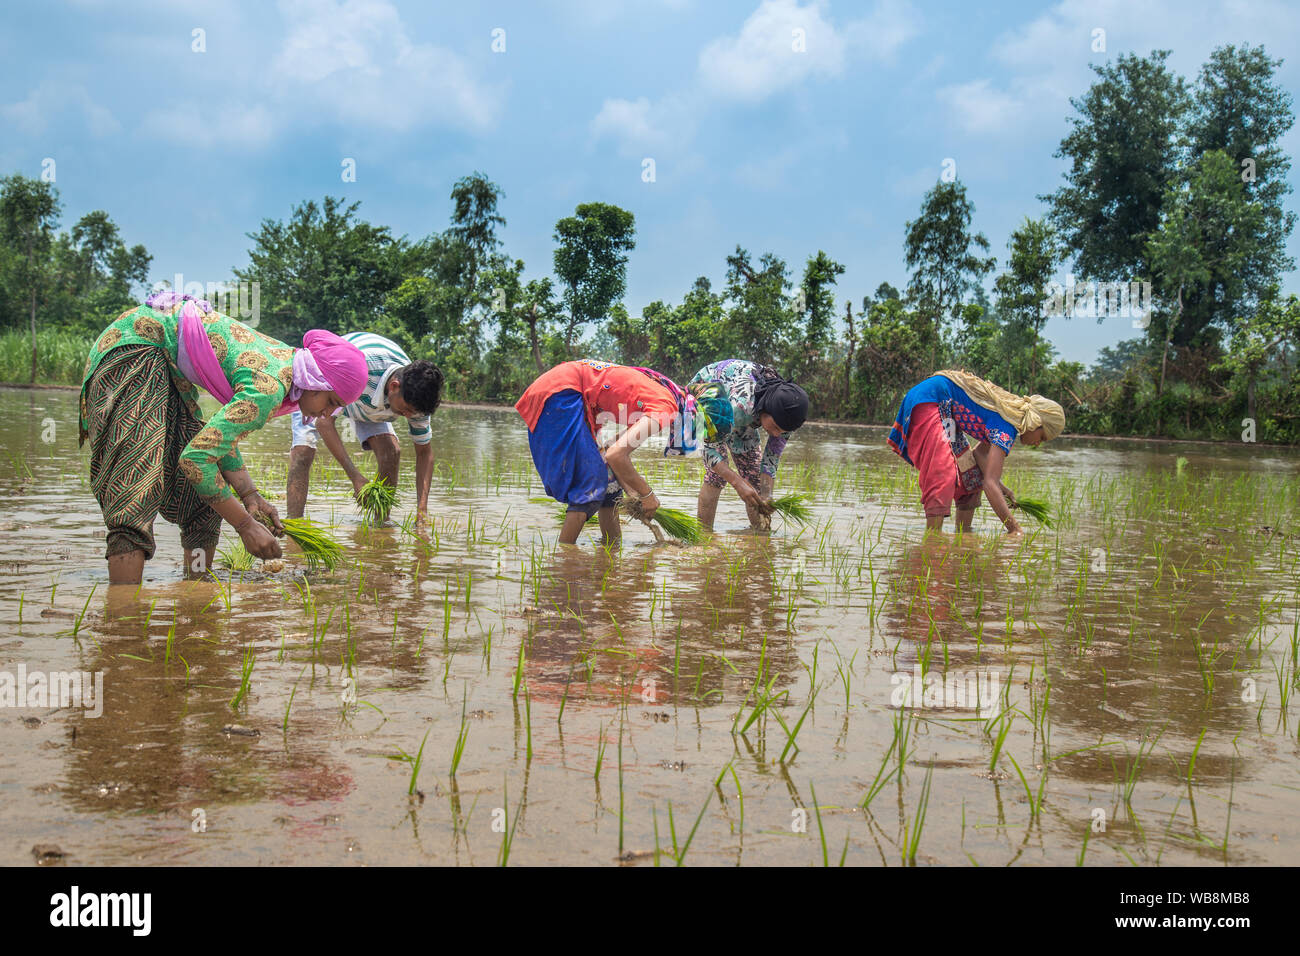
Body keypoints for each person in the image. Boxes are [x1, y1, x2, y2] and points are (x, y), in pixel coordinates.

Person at [79, 290, 368, 584]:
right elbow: (195, 460)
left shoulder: (281, 367)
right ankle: (123, 617)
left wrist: (250, 495)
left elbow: (217, 443)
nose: (326, 414)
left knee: (202, 503)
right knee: (135, 487)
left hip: (169, 366)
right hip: (136, 348)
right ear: (317, 382)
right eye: (331, 402)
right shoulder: (268, 388)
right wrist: (244, 525)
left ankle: (195, 594)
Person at [515, 359, 733, 546]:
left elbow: (611, 450)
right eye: (702, 430)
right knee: (589, 485)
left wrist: (633, 494)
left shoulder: (663, 393)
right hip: (563, 392)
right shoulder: (665, 407)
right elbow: (617, 454)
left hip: (565, 388)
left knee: (609, 482)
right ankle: (565, 561)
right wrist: (647, 495)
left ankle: (610, 549)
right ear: (695, 417)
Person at [286, 332, 443, 524]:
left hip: (370, 402)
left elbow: (425, 454)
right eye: (406, 410)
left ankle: (381, 526)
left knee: (391, 451)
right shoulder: (362, 371)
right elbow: (324, 422)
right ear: (394, 386)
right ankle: (294, 527)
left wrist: (422, 510)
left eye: (414, 413)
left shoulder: (417, 398)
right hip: (323, 389)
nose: (409, 416)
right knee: (303, 452)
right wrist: (356, 478)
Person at [887, 370, 1065, 536]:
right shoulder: (1007, 428)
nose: (1037, 443)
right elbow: (990, 483)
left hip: (946, 412)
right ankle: (933, 541)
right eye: (1041, 437)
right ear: (1036, 423)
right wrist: (1015, 530)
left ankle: (963, 536)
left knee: (971, 477)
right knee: (943, 471)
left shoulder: (1007, 418)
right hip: (932, 399)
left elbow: (979, 456)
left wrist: (1003, 489)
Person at [688, 360, 809, 530]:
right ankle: (703, 536)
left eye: (782, 431)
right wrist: (737, 482)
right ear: (766, 409)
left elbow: (771, 459)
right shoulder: (739, 408)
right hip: (706, 396)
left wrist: (767, 494)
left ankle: (760, 538)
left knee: (755, 479)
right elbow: (710, 452)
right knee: (717, 476)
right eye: (774, 427)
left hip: (744, 410)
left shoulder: (787, 416)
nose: (776, 434)